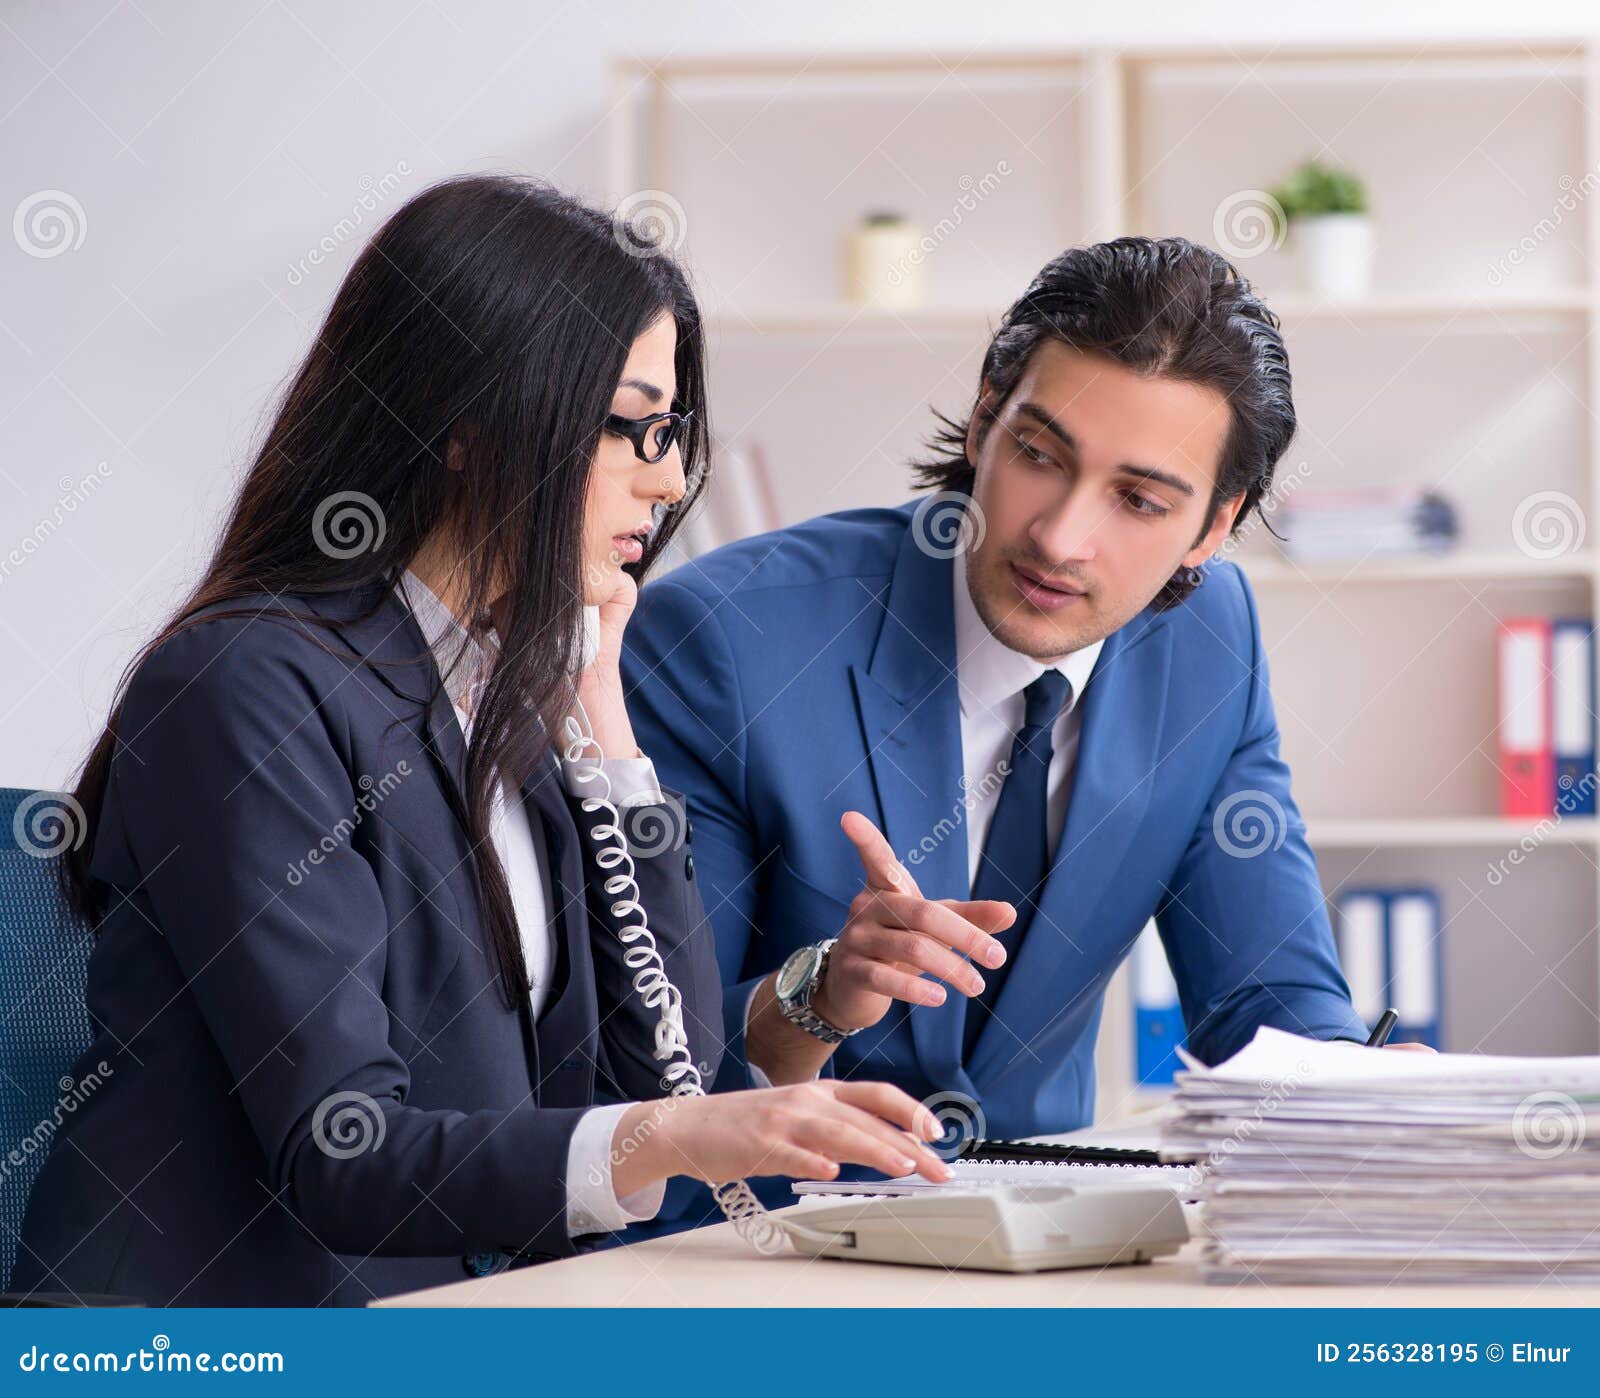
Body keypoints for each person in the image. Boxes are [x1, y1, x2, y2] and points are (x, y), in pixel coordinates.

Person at [11, 175, 948, 1308]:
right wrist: (679, 1134)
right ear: (468, 422)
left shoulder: (508, 699)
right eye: (628, 426)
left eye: (671, 432)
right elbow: (342, 1152)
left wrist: (603, 719)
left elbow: (666, 1074)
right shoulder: (242, 684)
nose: (663, 479)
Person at [622, 235, 1408, 1235]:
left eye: (1138, 499)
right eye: (1040, 456)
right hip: (749, 1253)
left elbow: (1264, 996)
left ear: (1213, 527)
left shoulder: (1209, 642)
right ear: (985, 417)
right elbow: (652, 1062)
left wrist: (1362, 1100)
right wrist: (817, 994)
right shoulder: (727, 637)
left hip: (1047, 1249)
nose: (1059, 537)